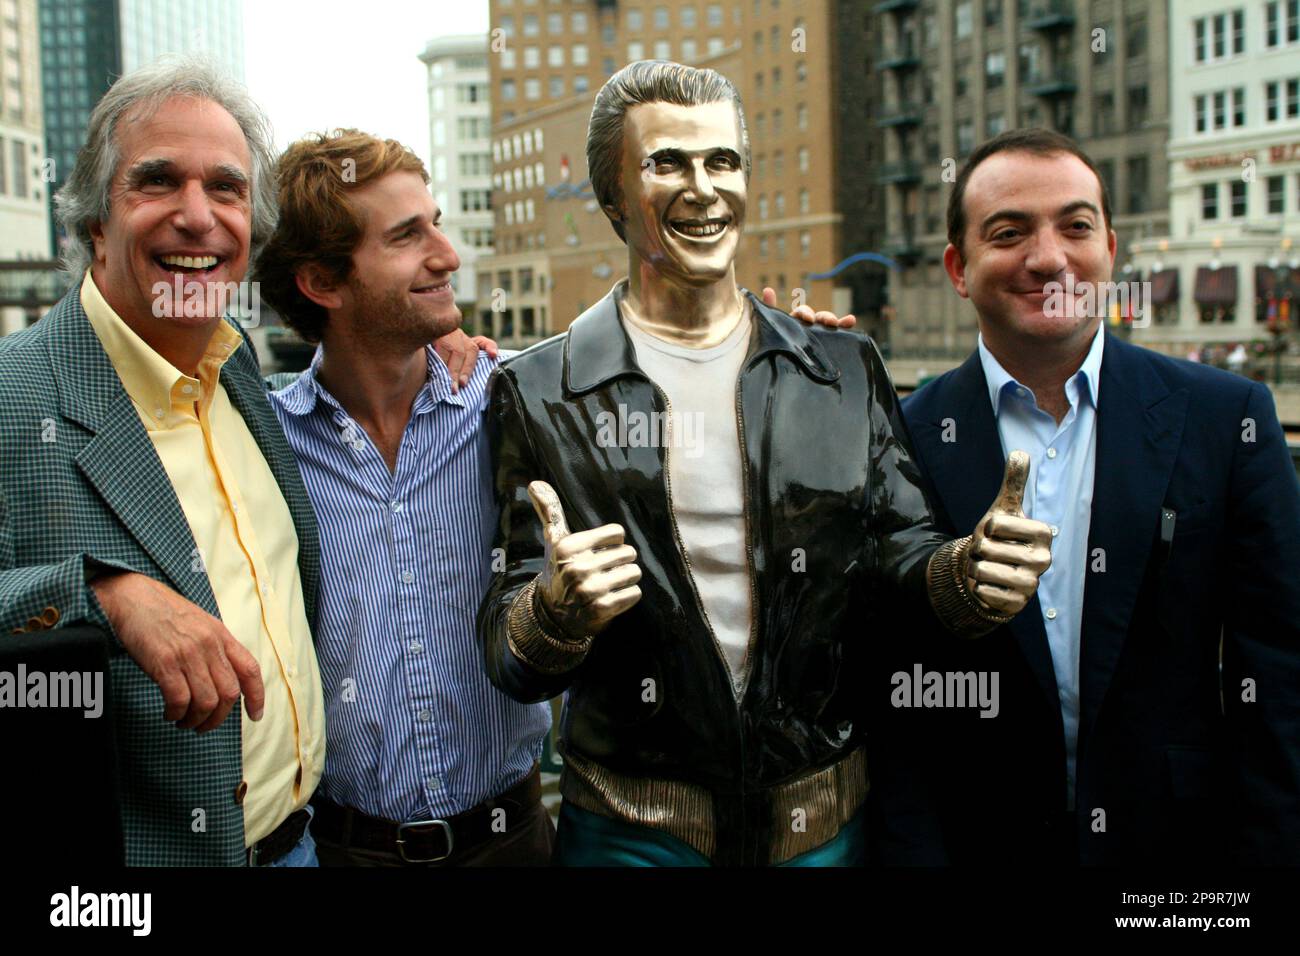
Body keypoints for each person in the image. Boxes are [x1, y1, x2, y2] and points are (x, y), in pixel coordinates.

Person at [477, 61, 1053, 867]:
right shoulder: (537, 390)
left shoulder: (841, 367)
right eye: (666, 163)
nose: (704, 189)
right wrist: (554, 612)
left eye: (723, 161)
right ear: (611, 198)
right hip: (631, 834)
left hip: (820, 824)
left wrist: (965, 574)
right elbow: (505, 648)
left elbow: (898, 555)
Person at [895, 127, 1300, 865]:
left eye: (1075, 227)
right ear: (959, 266)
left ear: (1110, 247)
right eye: (1009, 232)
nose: (1048, 258)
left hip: (1178, 859)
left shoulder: (1228, 418)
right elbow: (887, 689)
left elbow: (1277, 671)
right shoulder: (900, 437)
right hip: (976, 847)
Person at [0, 58, 324, 866]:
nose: (197, 216)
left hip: (300, 846)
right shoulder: (12, 394)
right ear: (94, 223)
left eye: (226, 188)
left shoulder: (236, 364)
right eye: (156, 182)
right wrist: (102, 593)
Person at [254, 130, 555, 866]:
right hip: (344, 852)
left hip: (513, 843)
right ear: (322, 283)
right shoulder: (263, 450)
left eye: (438, 222)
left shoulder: (516, 401)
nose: (447, 255)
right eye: (407, 236)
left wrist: (794, 353)